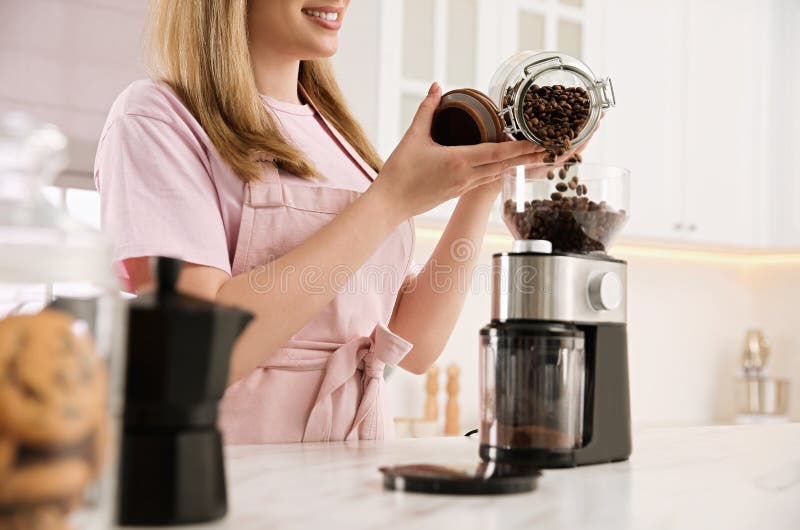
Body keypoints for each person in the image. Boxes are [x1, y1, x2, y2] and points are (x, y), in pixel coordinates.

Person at [94, 0, 552, 444]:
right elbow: (189, 358)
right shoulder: (157, 117)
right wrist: (389, 200)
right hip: (237, 481)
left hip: (352, 475)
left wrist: (486, 179)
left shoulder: (341, 141)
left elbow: (416, 341)